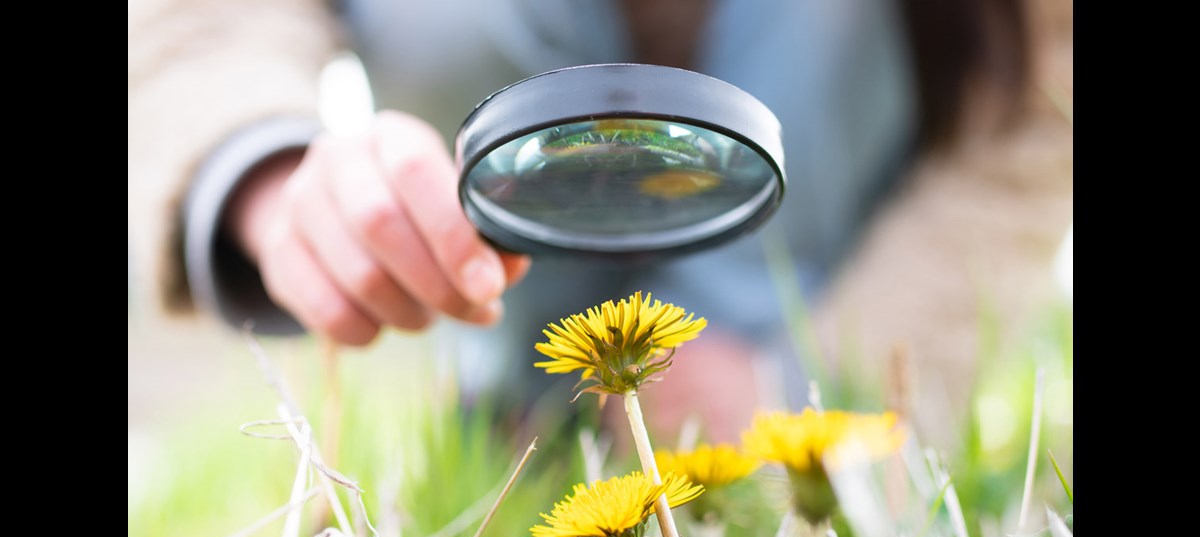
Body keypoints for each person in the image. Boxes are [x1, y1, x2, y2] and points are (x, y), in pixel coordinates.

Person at [128, 0, 1072, 446]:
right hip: (500, 244)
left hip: (813, 272)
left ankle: (727, 447)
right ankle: (524, 416)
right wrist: (263, 167)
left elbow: (1042, 98)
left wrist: (813, 375)